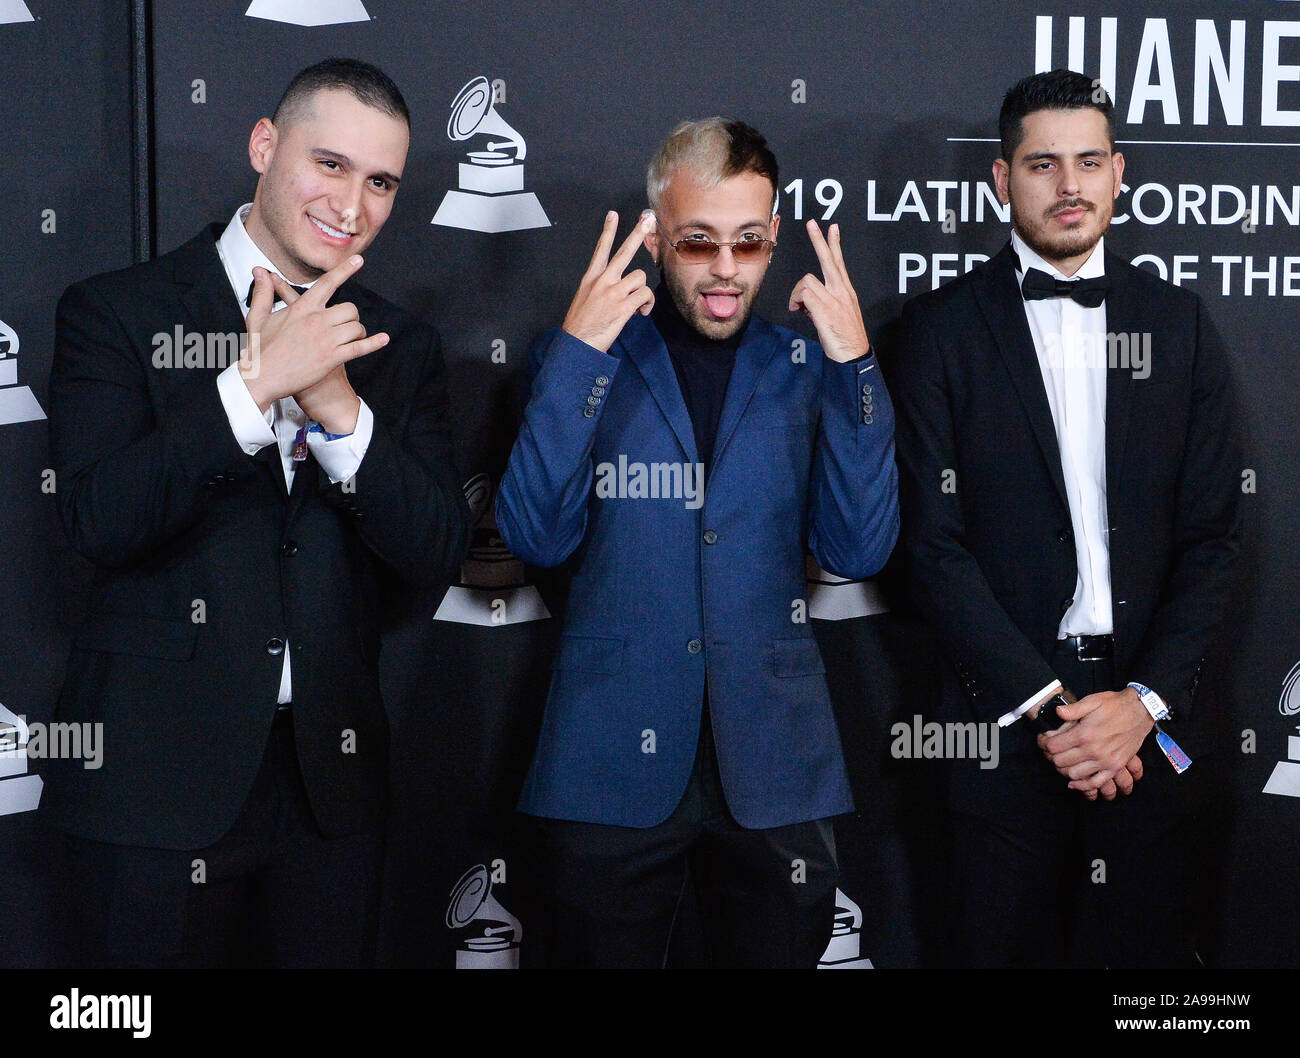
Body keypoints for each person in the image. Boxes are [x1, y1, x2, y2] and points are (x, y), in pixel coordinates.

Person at [46, 58, 471, 967]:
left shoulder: (400, 347)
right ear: (264, 145)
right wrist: (252, 389)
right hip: (149, 790)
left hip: (331, 793)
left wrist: (343, 413)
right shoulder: (116, 313)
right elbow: (95, 519)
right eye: (330, 164)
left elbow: (436, 551)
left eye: (381, 181)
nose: (352, 205)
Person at [495, 118, 898, 968]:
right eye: (697, 243)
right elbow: (534, 534)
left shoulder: (807, 365)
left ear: (775, 237)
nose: (725, 268)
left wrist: (856, 366)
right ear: (655, 236)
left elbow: (858, 550)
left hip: (778, 768)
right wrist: (575, 356)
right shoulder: (583, 359)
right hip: (607, 762)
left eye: (749, 244)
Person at [893, 69, 1242, 967]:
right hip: (1000, 728)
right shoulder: (936, 332)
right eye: (1043, 165)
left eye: (1089, 162)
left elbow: (1215, 538)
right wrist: (1056, 712)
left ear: (1120, 172)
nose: (1070, 185)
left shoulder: (1180, 325)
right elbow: (930, 547)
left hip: (1147, 730)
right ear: (1001, 181)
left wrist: (1144, 705)